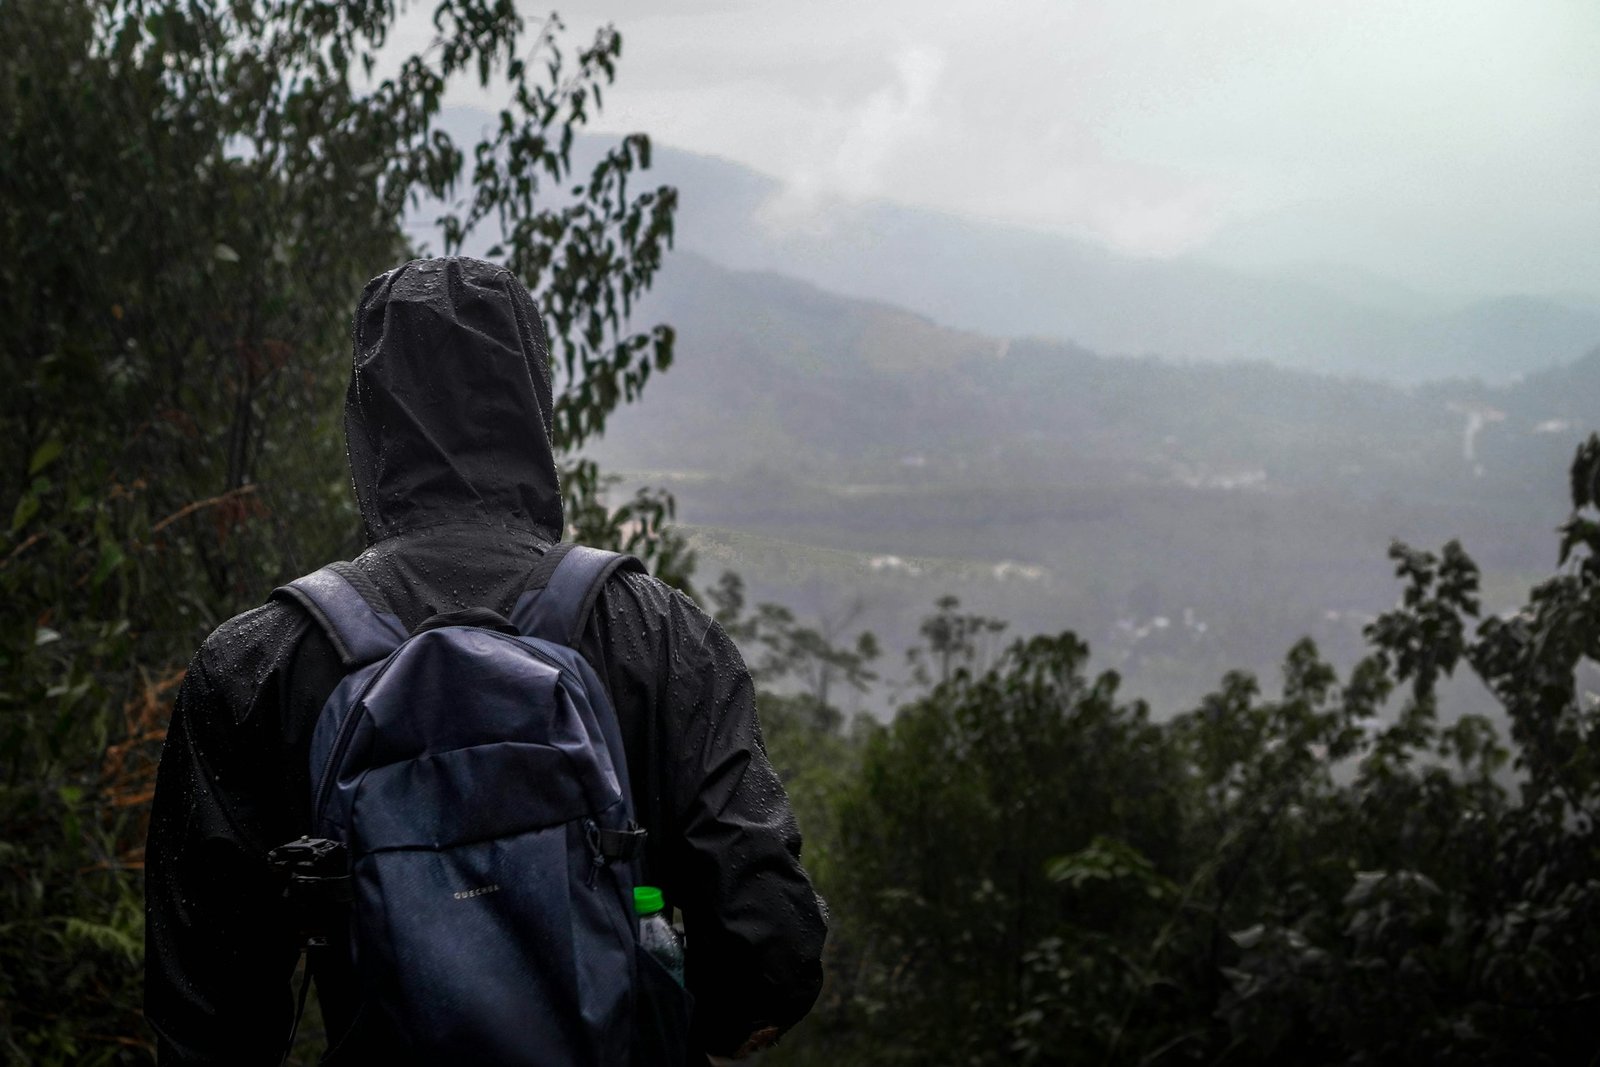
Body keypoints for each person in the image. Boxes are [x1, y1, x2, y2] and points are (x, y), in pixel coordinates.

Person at [143, 256, 828, 1063]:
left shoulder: (258, 662)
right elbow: (770, 949)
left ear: (367, 424)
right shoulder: (657, 633)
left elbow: (203, 1014)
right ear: (535, 405)